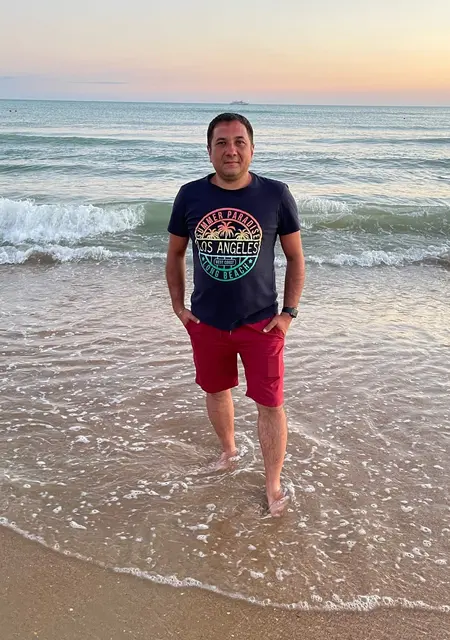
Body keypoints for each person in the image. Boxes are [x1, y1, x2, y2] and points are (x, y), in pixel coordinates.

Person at [166, 113, 305, 517]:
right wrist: (179, 307)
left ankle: (272, 484)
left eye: (239, 142)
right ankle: (229, 451)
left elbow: (296, 258)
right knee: (216, 390)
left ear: (252, 149)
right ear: (209, 150)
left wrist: (288, 314)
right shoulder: (190, 195)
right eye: (222, 143)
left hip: (261, 323)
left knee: (270, 404)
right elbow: (175, 254)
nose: (231, 150)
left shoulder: (275, 194)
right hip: (206, 321)